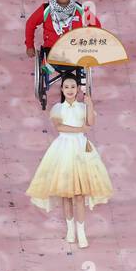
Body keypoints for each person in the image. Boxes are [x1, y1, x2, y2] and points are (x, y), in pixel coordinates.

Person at [25, 76, 113, 248]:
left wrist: (90, 104)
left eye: (73, 86)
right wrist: (80, 129)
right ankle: (70, 229)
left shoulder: (82, 106)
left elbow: (91, 122)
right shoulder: (58, 108)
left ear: (77, 89)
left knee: (79, 194)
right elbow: (60, 128)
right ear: (62, 90)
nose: (70, 89)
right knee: (65, 193)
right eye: (66, 86)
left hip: (81, 148)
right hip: (64, 148)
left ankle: (81, 232)